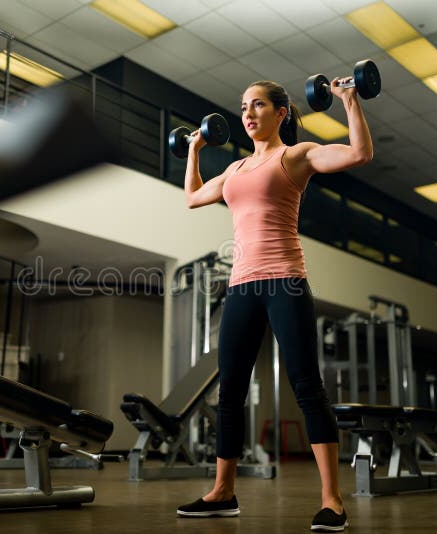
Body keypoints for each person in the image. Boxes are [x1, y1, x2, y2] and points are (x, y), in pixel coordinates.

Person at [176, 76, 372, 532]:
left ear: (281, 113)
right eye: (243, 106)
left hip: (285, 280)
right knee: (230, 393)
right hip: (242, 285)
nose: (247, 114)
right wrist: (193, 149)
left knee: (307, 387)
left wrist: (348, 100)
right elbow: (191, 197)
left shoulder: (295, 156)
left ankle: (333, 501)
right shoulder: (237, 170)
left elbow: (360, 153)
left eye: (258, 105)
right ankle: (222, 492)